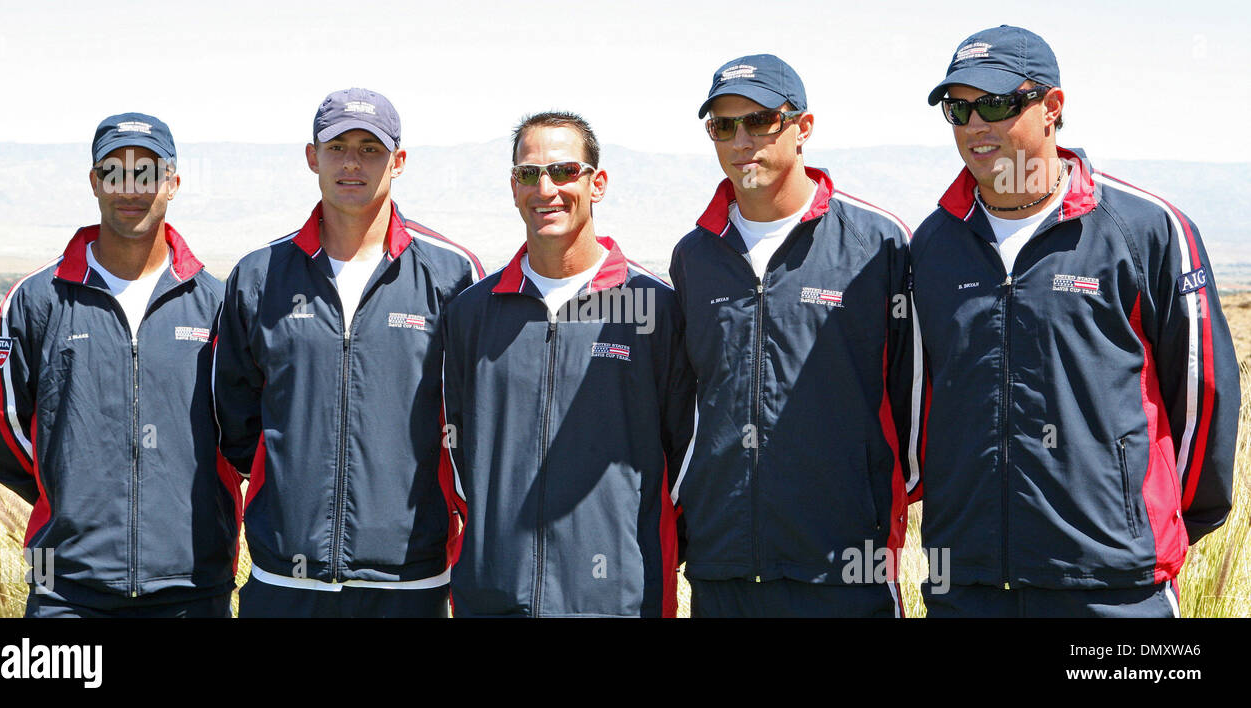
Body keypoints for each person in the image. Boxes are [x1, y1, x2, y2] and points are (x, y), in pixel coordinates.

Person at [912, 25, 1238, 617]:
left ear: (1052, 107)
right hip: (967, 584)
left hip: (1113, 588)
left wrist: (1146, 527)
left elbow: (1204, 394)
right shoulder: (932, 244)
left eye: (995, 103)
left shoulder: (1146, 230)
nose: (974, 125)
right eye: (958, 109)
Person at [211, 88, 483, 617]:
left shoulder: (453, 275)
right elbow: (236, 420)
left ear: (398, 161)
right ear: (312, 156)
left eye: (370, 148)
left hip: (410, 578)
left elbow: (474, 419)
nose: (352, 163)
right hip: (285, 576)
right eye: (337, 147)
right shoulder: (258, 276)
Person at [668, 55, 921, 617]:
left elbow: (915, 399)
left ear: (802, 128)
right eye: (723, 125)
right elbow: (685, 402)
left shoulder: (876, 242)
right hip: (723, 564)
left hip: (844, 564)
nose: (741, 140)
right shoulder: (694, 255)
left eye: (760, 121)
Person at [0, 113, 240, 617]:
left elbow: (244, 433)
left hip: (194, 583)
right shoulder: (36, 300)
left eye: (147, 173)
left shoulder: (217, 304)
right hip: (65, 590)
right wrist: (68, 489)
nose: (129, 188)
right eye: (114, 172)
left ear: (174, 183)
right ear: (94, 182)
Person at [440, 111, 695, 617]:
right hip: (493, 599)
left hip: (618, 601)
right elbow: (454, 452)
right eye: (529, 174)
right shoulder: (471, 312)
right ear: (513, 188)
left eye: (564, 172)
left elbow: (688, 460)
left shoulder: (654, 309)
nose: (546, 189)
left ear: (597, 183)